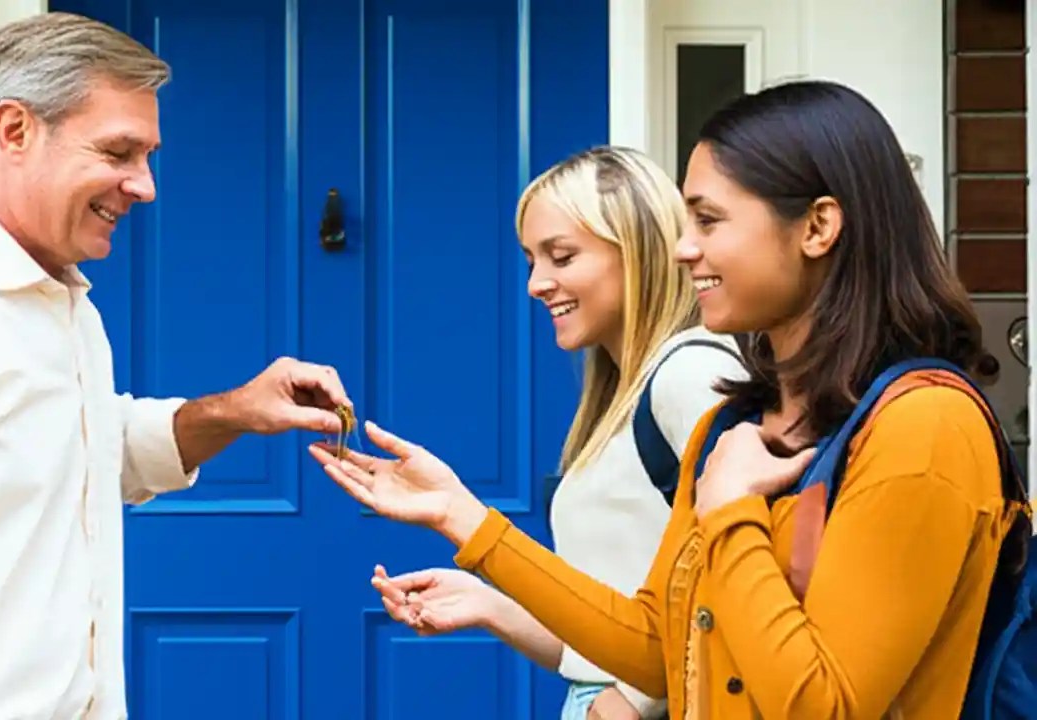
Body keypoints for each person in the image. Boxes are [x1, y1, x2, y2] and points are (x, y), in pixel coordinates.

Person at [310, 79, 1031, 719]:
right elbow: (658, 648)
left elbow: (822, 705)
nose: (683, 249)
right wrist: (463, 518)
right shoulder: (739, 421)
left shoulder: (925, 426)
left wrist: (732, 511)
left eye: (709, 221)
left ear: (817, 227)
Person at [0, 12, 353, 720]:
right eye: (118, 152)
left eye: (147, 157)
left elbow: (86, 450)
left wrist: (233, 410)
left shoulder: (62, 305)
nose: (144, 186)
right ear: (14, 130)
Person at [367, 146, 745, 720]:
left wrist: (637, 701)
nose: (537, 284)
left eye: (562, 257)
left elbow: (744, 574)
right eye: (531, 260)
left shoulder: (689, 374)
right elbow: (604, 646)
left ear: (639, 252)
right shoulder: (627, 392)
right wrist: (491, 606)